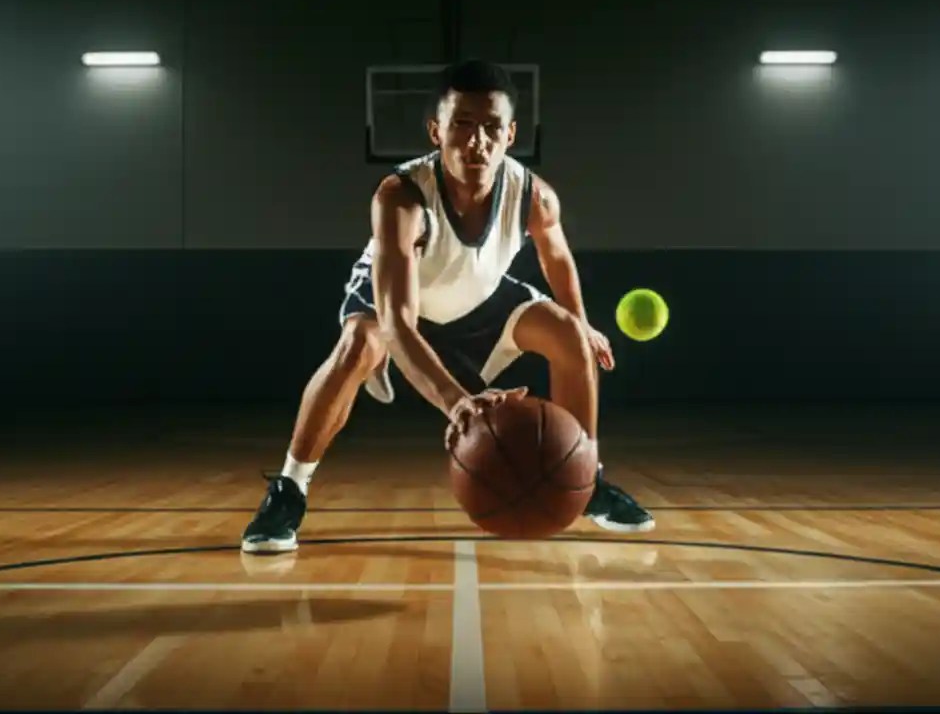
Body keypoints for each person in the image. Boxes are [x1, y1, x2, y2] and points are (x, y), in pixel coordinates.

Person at [242, 59, 654, 553]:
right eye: (461, 125)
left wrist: (584, 326)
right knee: (358, 343)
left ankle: (587, 479)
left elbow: (558, 258)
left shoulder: (535, 196)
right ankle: (290, 490)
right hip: (404, 301)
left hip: (480, 295)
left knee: (569, 338)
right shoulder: (402, 197)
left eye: (491, 127)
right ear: (436, 131)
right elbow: (396, 322)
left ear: (511, 134)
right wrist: (458, 401)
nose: (476, 141)